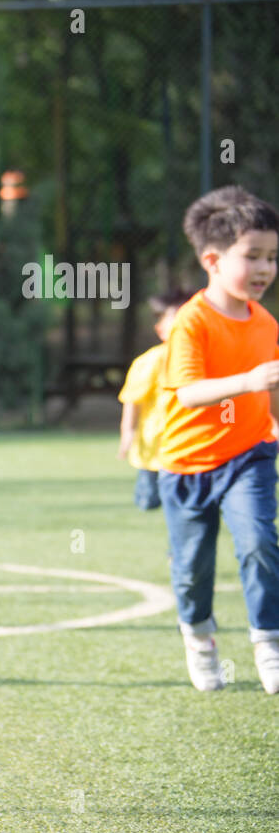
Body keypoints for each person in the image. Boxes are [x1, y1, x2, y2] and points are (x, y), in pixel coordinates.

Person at [158, 185, 279, 694]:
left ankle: (268, 641)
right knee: (191, 570)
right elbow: (188, 394)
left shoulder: (266, 323)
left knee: (259, 541)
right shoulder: (192, 322)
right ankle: (199, 637)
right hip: (187, 465)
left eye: (272, 257)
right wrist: (249, 381)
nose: (266, 268)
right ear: (212, 260)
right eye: (253, 256)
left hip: (249, 454)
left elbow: (272, 389)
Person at [117, 289, 193, 509]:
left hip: (186, 447)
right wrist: (128, 433)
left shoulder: (203, 358)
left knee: (182, 502)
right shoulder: (151, 361)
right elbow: (132, 400)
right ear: (161, 329)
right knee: (148, 500)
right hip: (154, 446)